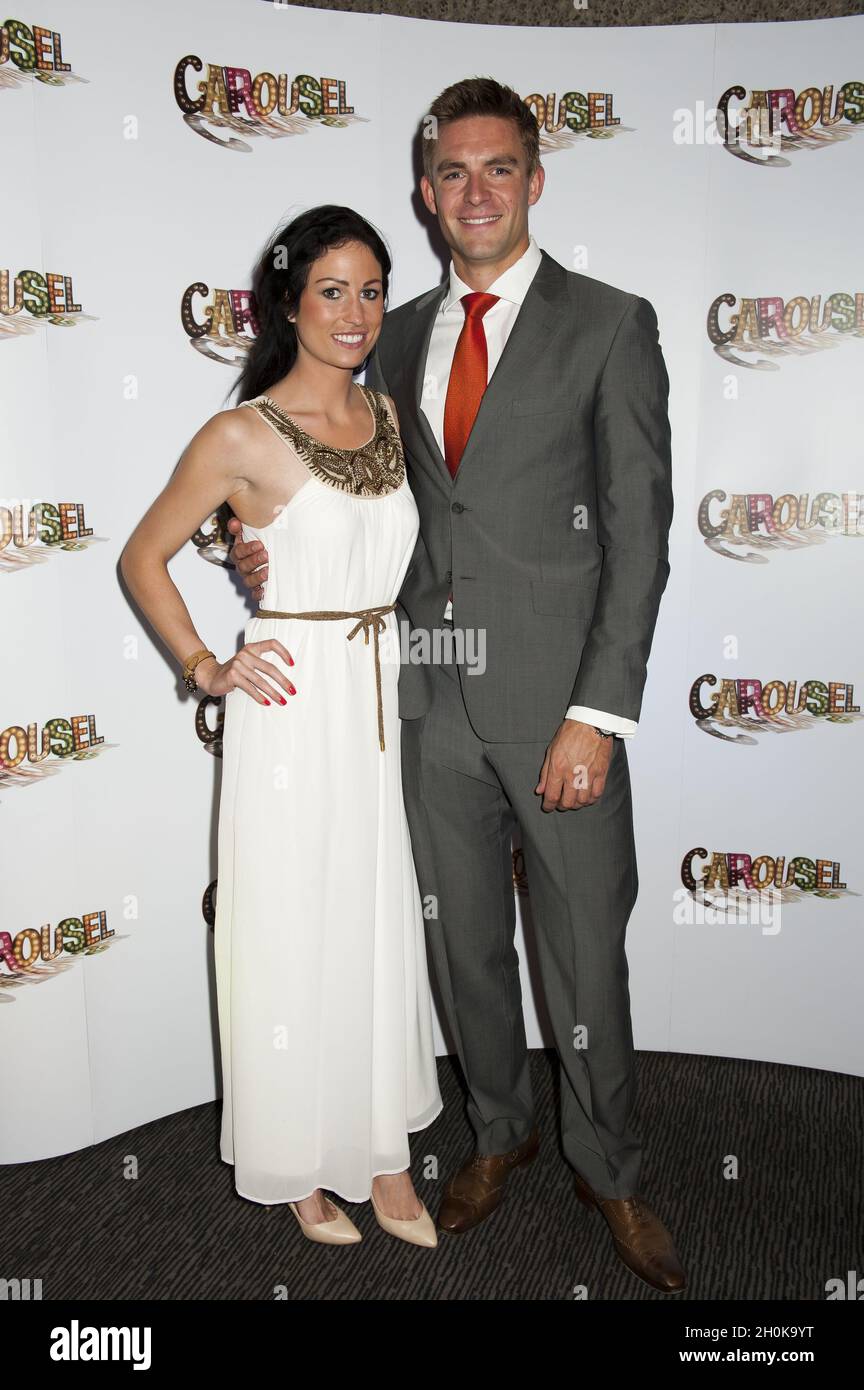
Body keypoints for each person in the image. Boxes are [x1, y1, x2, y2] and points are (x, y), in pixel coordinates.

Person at [230, 77, 686, 1293]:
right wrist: (252, 542)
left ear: (535, 179)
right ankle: (498, 1131)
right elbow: (329, 475)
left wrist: (599, 714)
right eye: (451, 172)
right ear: (426, 194)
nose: (474, 191)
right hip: (426, 703)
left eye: (497, 168)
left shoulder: (611, 324)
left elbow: (639, 535)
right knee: (462, 946)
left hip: (561, 705)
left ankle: (610, 1169)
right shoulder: (393, 335)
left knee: (583, 954)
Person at [120, 206, 443, 1249]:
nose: (355, 313)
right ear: (289, 304)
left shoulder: (391, 415)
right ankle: (298, 1159)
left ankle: (383, 1152)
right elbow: (141, 557)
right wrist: (206, 667)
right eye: (331, 291)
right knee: (290, 928)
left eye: (371, 290)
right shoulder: (240, 434)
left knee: (373, 920)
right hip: (292, 708)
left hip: (378, 701)